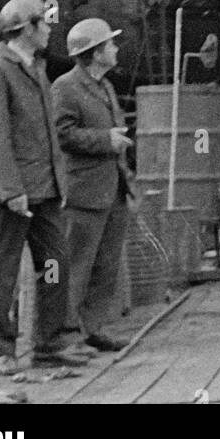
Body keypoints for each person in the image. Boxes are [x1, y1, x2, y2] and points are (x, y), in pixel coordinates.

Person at [0, 0, 87, 374]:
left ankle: (49, 341)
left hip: (44, 189)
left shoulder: (36, 70)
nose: (50, 28)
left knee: (54, 262)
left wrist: (59, 182)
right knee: (3, 271)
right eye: (45, 22)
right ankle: (3, 348)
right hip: (16, 193)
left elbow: (48, 135)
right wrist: (9, 191)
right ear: (26, 29)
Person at [52, 18, 134, 352]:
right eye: (110, 44)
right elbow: (63, 134)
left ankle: (94, 328)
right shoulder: (65, 87)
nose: (115, 49)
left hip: (112, 190)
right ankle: (70, 334)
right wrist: (106, 140)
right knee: (76, 265)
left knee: (106, 264)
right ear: (96, 52)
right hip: (84, 193)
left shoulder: (106, 87)